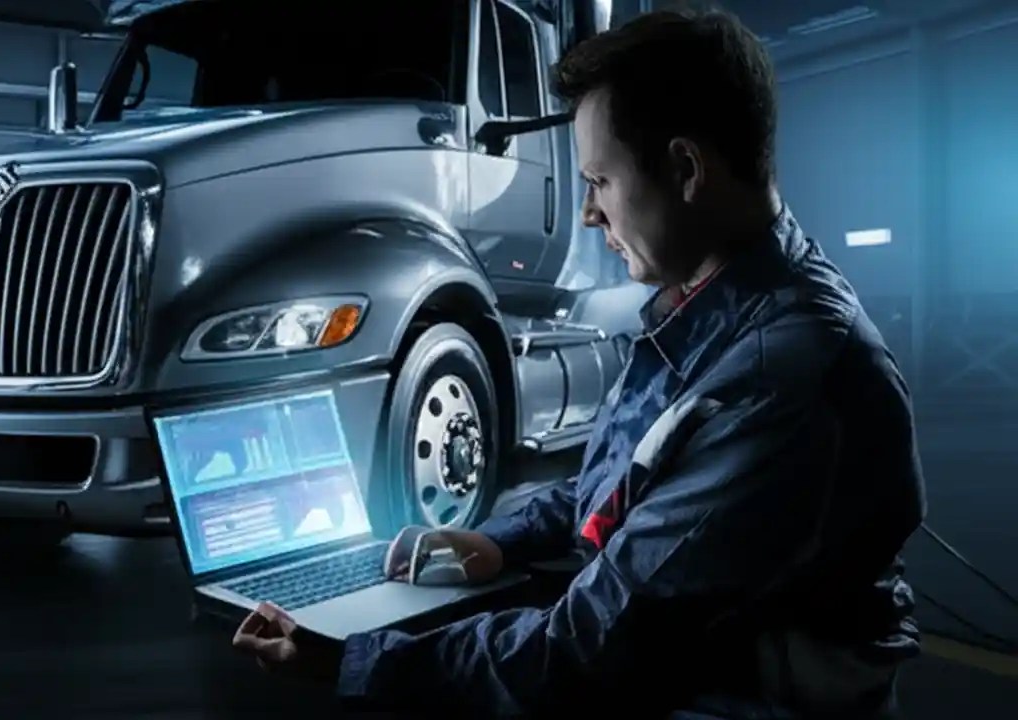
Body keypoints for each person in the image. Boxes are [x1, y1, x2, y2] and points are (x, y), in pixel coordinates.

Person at [232, 9, 927, 718]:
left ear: (686, 169)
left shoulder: (780, 380)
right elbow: (627, 487)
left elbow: (588, 648)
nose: (590, 213)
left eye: (599, 180)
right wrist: (496, 541)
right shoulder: (707, 313)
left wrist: (350, 659)